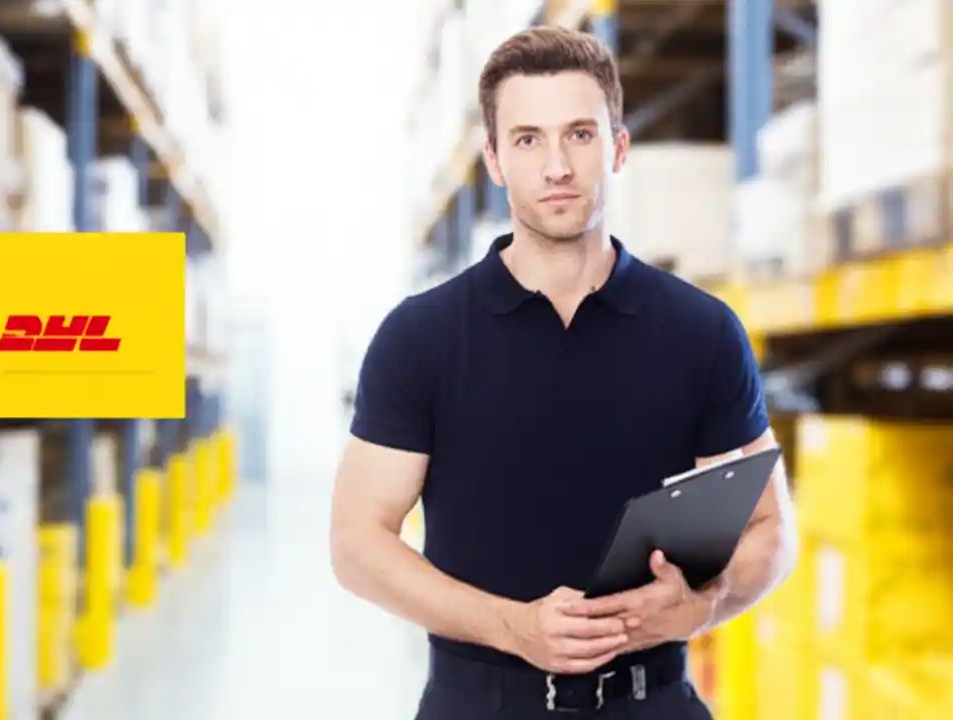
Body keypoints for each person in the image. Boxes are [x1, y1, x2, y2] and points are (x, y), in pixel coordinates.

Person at [329, 26, 797, 719]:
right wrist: (511, 627)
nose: (557, 166)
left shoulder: (702, 332)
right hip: (480, 702)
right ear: (493, 159)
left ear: (618, 147)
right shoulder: (420, 337)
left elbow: (771, 529)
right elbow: (357, 542)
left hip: (653, 699)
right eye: (527, 139)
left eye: (580, 135)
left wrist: (703, 607)